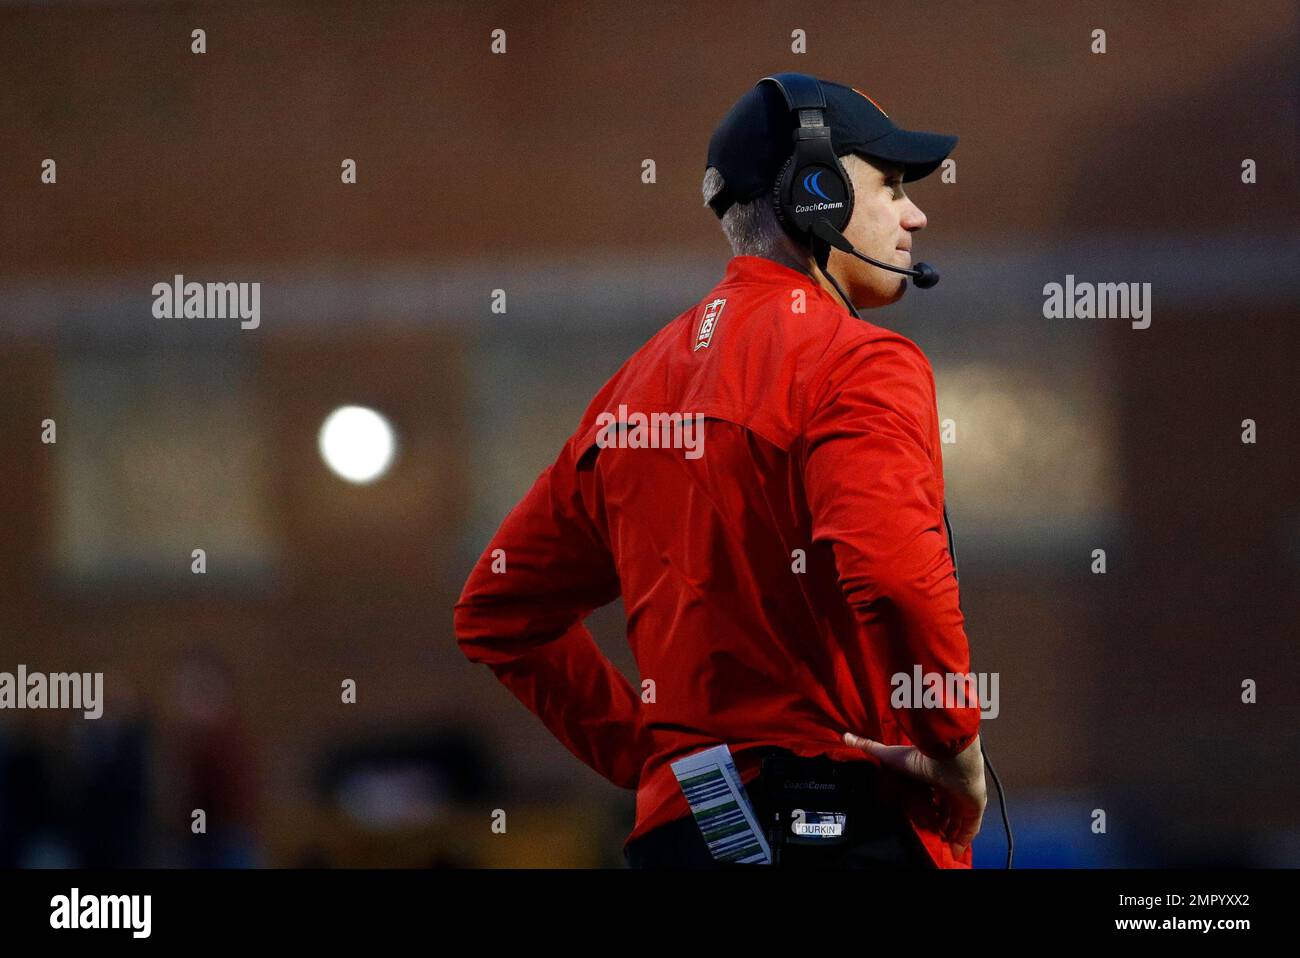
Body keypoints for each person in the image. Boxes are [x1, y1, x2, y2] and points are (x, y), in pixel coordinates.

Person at [454, 72, 987, 869]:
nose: (916, 214)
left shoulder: (630, 392)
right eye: (892, 185)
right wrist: (954, 745)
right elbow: (891, 576)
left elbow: (497, 607)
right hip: (845, 826)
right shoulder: (860, 363)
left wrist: (656, 760)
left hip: (683, 839)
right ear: (819, 195)